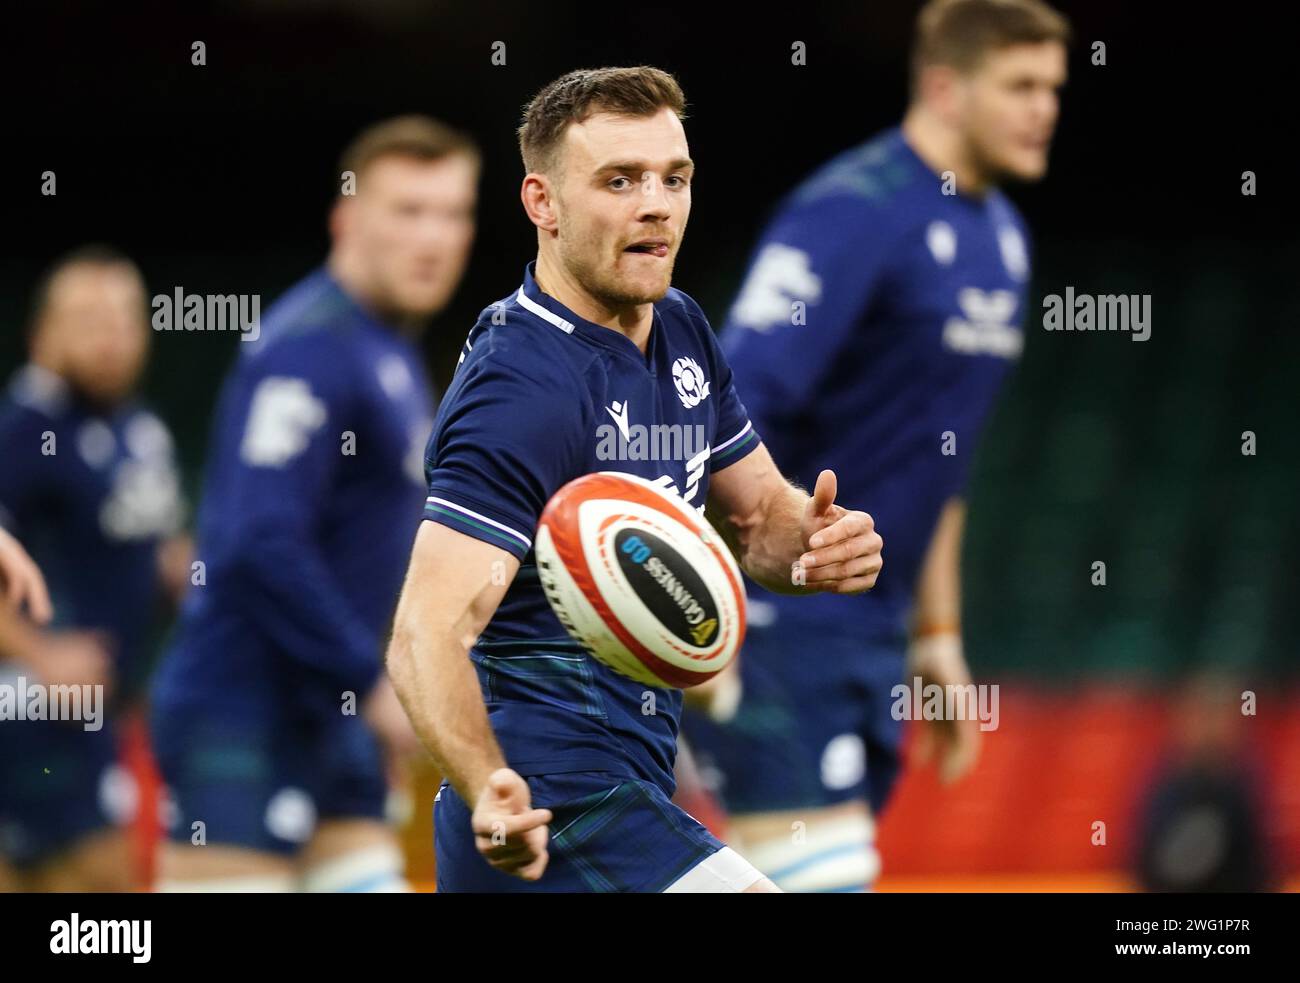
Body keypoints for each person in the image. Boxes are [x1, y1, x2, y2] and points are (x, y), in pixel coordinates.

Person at [385, 66, 884, 893]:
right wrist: (488, 784)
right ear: (542, 203)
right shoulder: (521, 388)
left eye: (674, 178)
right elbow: (423, 633)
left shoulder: (681, 326)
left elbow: (758, 514)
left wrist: (811, 540)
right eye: (620, 180)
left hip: (630, 784)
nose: (657, 203)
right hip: (556, 802)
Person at [680, 0, 1069, 891]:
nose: (1043, 107)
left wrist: (937, 637)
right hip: (779, 614)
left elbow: (948, 464)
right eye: (1019, 84)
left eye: (1052, 86)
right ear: (943, 85)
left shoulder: (1003, 241)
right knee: (822, 874)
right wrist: (709, 595)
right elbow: (723, 406)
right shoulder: (850, 212)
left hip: (874, 629)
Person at [150, 115, 479, 892]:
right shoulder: (309, 348)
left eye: (453, 212)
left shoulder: (385, 348)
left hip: (329, 720)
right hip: (243, 711)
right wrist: (369, 680)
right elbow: (256, 540)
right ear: (347, 219)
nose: (434, 237)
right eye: (408, 211)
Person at [0, 246, 186, 891]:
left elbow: (147, 549)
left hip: (108, 713)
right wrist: (36, 651)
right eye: (90, 320)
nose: (113, 338)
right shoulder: (26, 429)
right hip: (29, 713)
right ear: (42, 331)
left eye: (126, 318)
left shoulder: (137, 428)